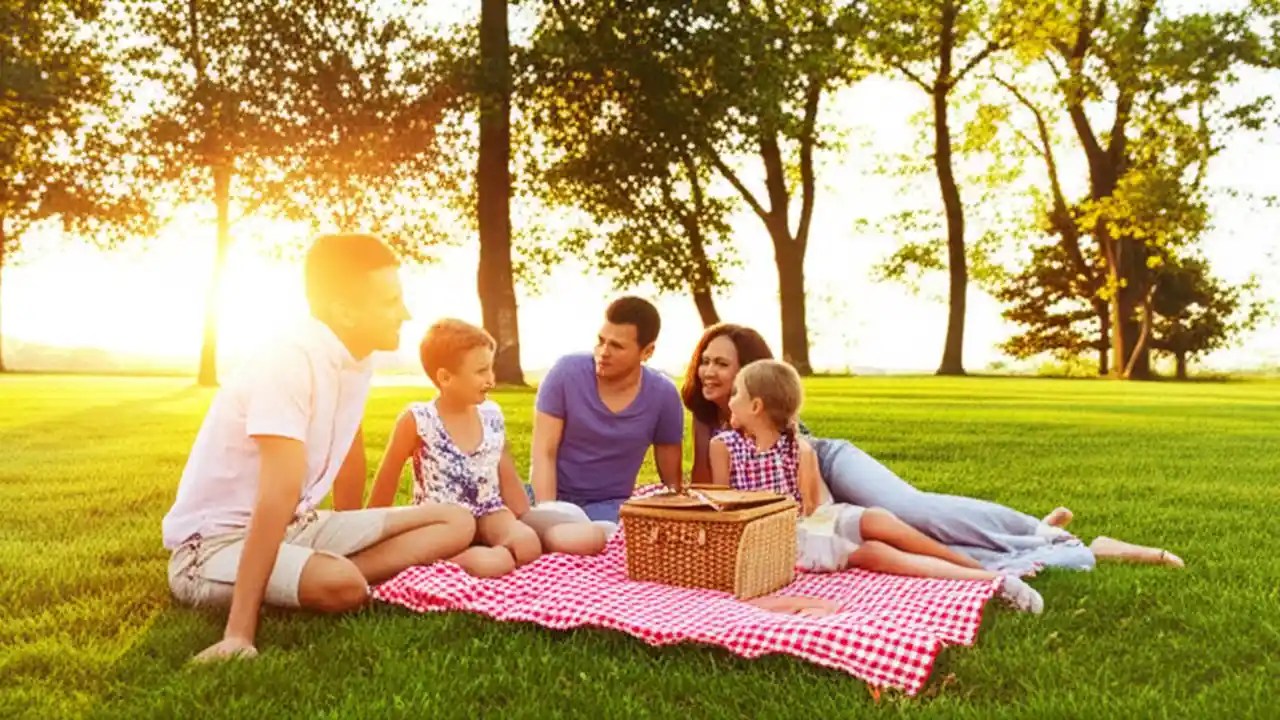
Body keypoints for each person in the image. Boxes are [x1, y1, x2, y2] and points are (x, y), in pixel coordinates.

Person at [161, 234, 477, 663]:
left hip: (300, 526)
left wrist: (352, 527)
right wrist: (239, 632)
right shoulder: (288, 359)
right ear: (345, 310)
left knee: (457, 521)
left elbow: (348, 451)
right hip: (213, 548)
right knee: (342, 586)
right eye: (390, 301)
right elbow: (277, 493)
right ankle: (329, 574)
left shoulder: (355, 357)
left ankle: (328, 569)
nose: (405, 313)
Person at [683, 323, 1184, 574]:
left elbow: (799, 466)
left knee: (912, 511)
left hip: (824, 467)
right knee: (904, 545)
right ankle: (1061, 549)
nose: (709, 371)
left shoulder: (767, 413)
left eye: (722, 365)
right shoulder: (708, 422)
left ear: (750, 379)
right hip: (806, 515)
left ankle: (1034, 528)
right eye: (705, 360)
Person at [711, 359, 1044, 613]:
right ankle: (991, 581)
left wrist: (803, 461)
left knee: (878, 519)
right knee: (875, 553)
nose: (730, 400)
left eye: (737, 392)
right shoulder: (724, 445)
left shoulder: (800, 448)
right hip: (782, 538)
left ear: (756, 406)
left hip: (813, 523)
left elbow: (812, 506)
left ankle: (975, 566)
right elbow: (723, 508)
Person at [369, 319, 607, 576]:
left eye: (490, 369)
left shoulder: (491, 415)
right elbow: (387, 478)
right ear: (446, 377)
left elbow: (503, 468)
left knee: (527, 546)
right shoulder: (419, 419)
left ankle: (505, 551)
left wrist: (530, 519)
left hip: (489, 511)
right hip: (443, 524)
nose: (491, 380)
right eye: (481, 371)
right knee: (495, 563)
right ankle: (440, 561)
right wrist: (372, 532)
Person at [526, 296, 684, 525]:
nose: (603, 352)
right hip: (549, 495)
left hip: (610, 507)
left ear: (647, 351)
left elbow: (672, 484)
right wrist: (549, 517)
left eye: (617, 346)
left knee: (604, 539)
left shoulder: (663, 395)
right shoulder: (565, 373)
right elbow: (543, 454)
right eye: (601, 340)